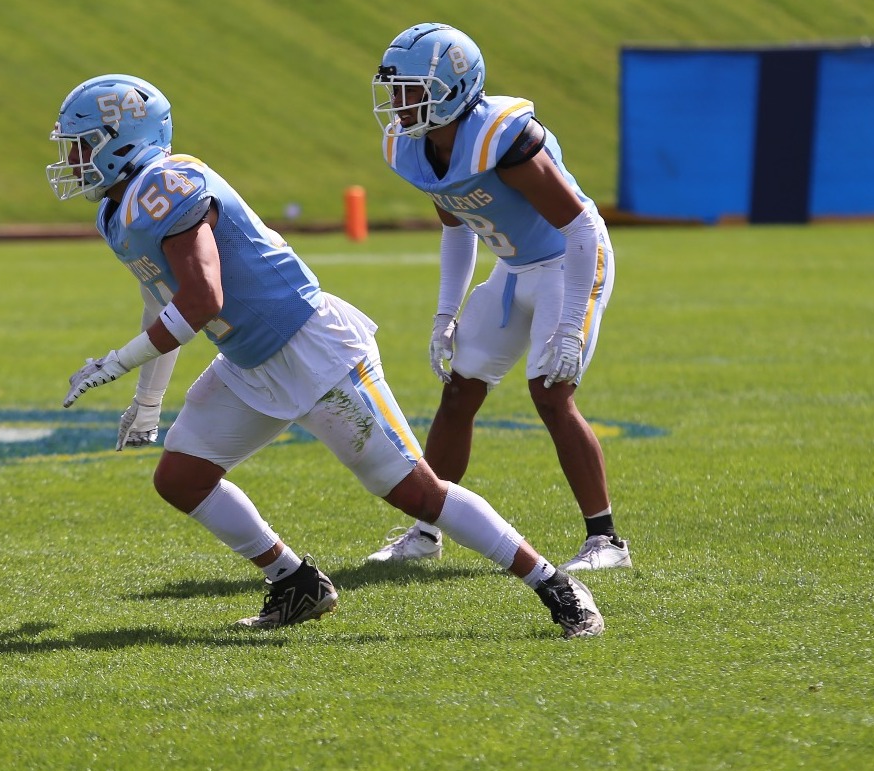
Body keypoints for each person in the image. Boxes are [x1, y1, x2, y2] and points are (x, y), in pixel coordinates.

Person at [48, 74, 603, 639]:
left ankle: (553, 584)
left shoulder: (168, 187)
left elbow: (201, 300)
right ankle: (295, 583)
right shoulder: (119, 209)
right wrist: (148, 402)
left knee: (417, 493)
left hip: (310, 346)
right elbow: (159, 297)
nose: (73, 160)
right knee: (182, 477)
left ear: (123, 139)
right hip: (248, 359)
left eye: (82, 145)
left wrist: (117, 363)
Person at [364, 23, 631, 572]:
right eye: (396, 90)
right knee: (460, 391)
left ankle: (606, 542)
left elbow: (580, 229)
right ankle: (425, 529)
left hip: (569, 260)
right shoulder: (412, 149)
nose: (398, 103)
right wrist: (445, 314)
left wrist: (569, 323)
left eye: (411, 89)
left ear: (453, 89)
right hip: (514, 268)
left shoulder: (501, 138)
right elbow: (457, 228)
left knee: (551, 394)